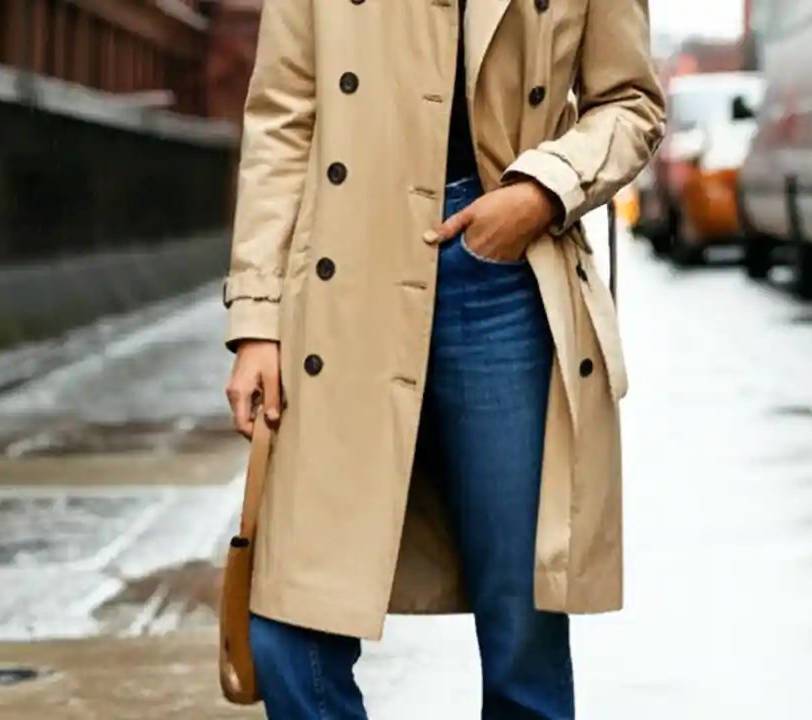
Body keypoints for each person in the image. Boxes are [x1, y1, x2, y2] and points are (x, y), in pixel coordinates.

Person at [223, 0, 664, 716]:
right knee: (289, 624)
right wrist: (256, 320)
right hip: (343, 276)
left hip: (502, 271)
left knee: (522, 630)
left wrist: (541, 190)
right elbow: (281, 121)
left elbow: (630, 101)